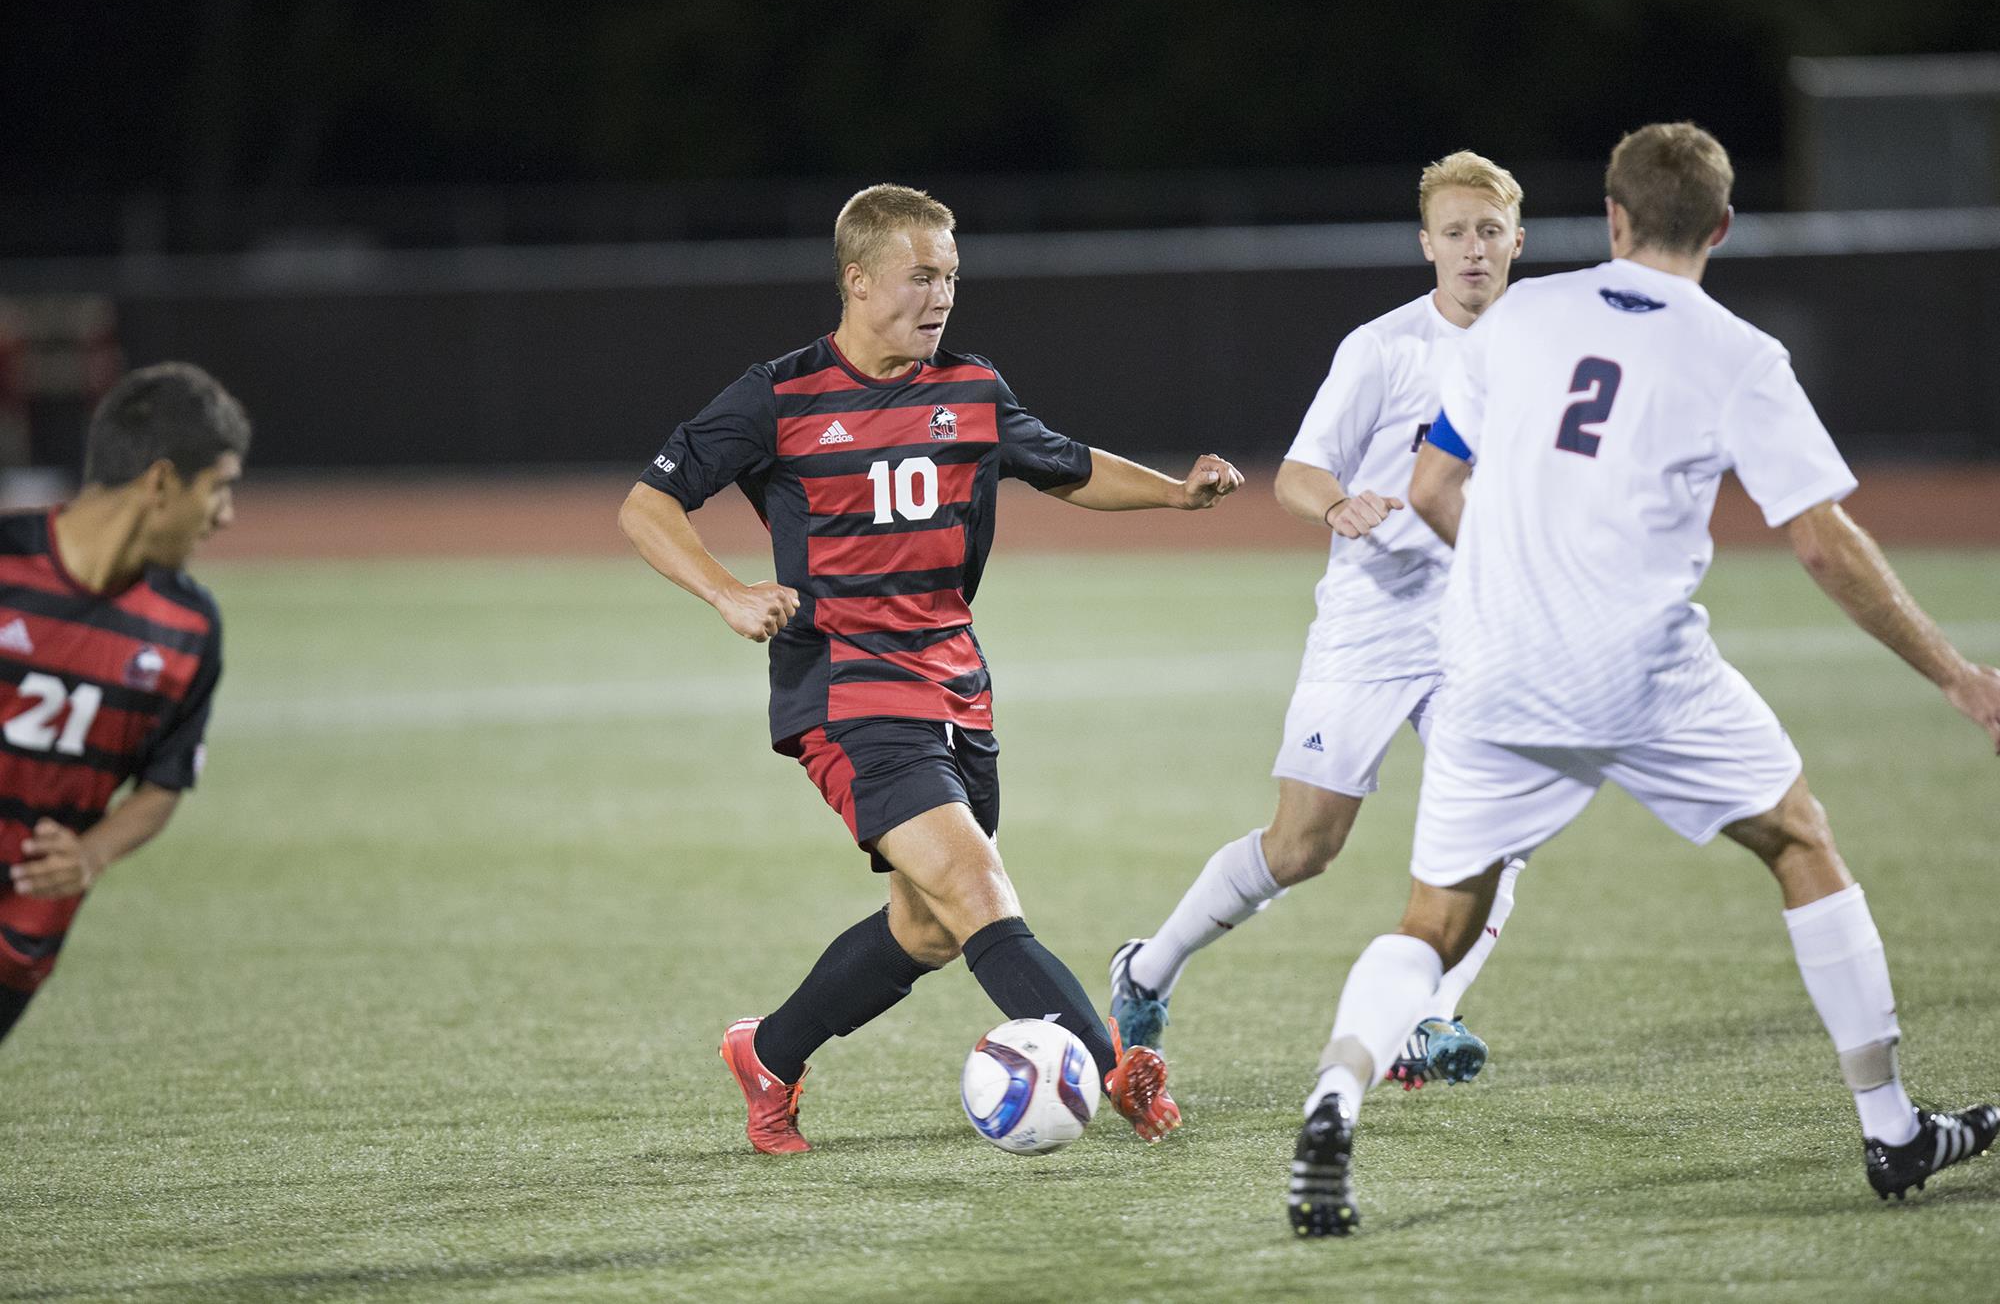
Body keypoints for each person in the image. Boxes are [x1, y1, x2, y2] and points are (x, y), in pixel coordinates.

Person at [1286, 122, 2000, 1237]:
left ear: (1611, 218)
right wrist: (1958, 678)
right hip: (1643, 666)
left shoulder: (1521, 315)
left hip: (1493, 657)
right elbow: (1822, 543)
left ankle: (1334, 1097)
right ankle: (1891, 1125)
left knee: (1433, 915)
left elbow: (1428, 488)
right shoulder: (1736, 353)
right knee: (1798, 840)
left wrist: (1518, 578)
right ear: (1721, 227)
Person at [619, 183, 1243, 1153]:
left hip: (955, 686)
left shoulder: (971, 389)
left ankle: (768, 1053)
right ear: (858, 281)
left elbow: (1067, 464)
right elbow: (647, 506)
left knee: (929, 926)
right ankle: (1113, 1066)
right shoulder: (778, 395)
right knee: (976, 886)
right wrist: (728, 592)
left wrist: (1175, 495)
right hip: (844, 691)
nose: (941, 295)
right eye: (920, 276)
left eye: (950, 276)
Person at [1110, 151, 1531, 1088]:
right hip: (1374, 620)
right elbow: (1299, 471)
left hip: (1485, 628)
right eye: (1455, 233)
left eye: (1489, 231)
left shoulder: (1546, 351)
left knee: (1500, 821)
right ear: (1426, 244)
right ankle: (1148, 967)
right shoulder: (1383, 348)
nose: (1472, 249)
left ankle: (1430, 1013)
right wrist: (1336, 504)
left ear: (1517, 239)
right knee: (1304, 845)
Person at [0, 362, 248, 1044]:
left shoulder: (189, 628)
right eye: (219, 488)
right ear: (161, 484)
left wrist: (89, 854)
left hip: (23, 936)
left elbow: (164, 782)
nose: (227, 516)